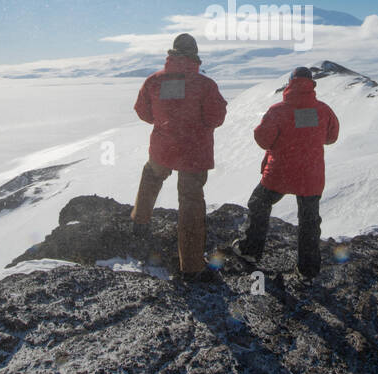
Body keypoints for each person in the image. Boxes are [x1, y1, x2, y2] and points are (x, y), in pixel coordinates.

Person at [131, 33, 228, 283]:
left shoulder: (154, 81)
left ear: (172, 53)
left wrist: (166, 123)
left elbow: (143, 112)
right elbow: (216, 117)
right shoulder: (205, 85)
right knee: (191, 202)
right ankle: (192, 267)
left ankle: (140, 222)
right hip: (194, 152)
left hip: (163, 147)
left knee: (151, 175)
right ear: (195, 55)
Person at [231, 66, 340, 279]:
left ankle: (251, 250)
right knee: (309, 219)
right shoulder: (323, 110)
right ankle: (308, 269)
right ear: (311, 84)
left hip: (280, 172)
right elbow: (331, 137)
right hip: (311, 175)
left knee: (259, 203)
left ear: (290, 83)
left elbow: (263, 140)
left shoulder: (277, 111)